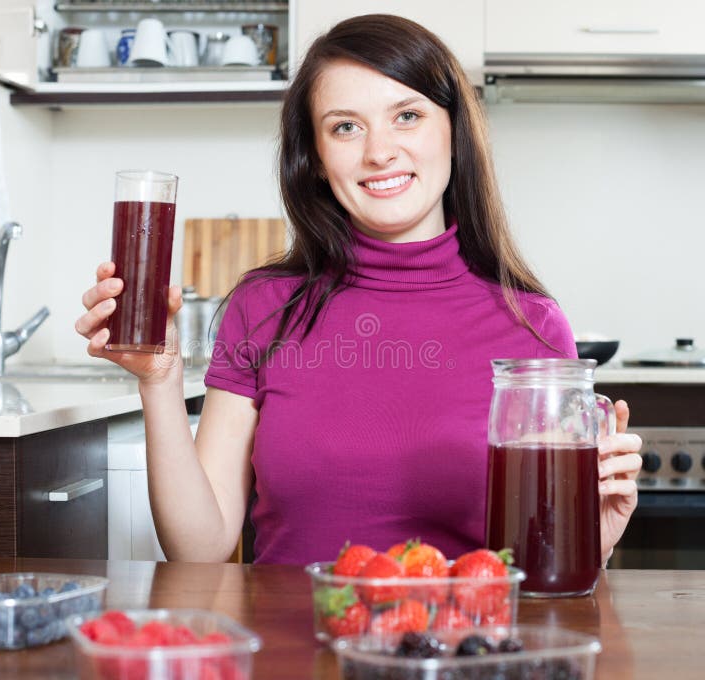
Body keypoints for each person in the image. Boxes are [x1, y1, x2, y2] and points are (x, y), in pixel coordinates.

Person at [75, 14, 642, 565]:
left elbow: (543, 559)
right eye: (345, 126)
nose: (379, 151)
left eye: (407, 116)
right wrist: (160, 382)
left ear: (454, 133)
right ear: (316, 159)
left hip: (461, 632)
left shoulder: (532, 324)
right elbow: (200, 550)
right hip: (296, 631)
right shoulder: (263, 307)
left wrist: (591, 541)